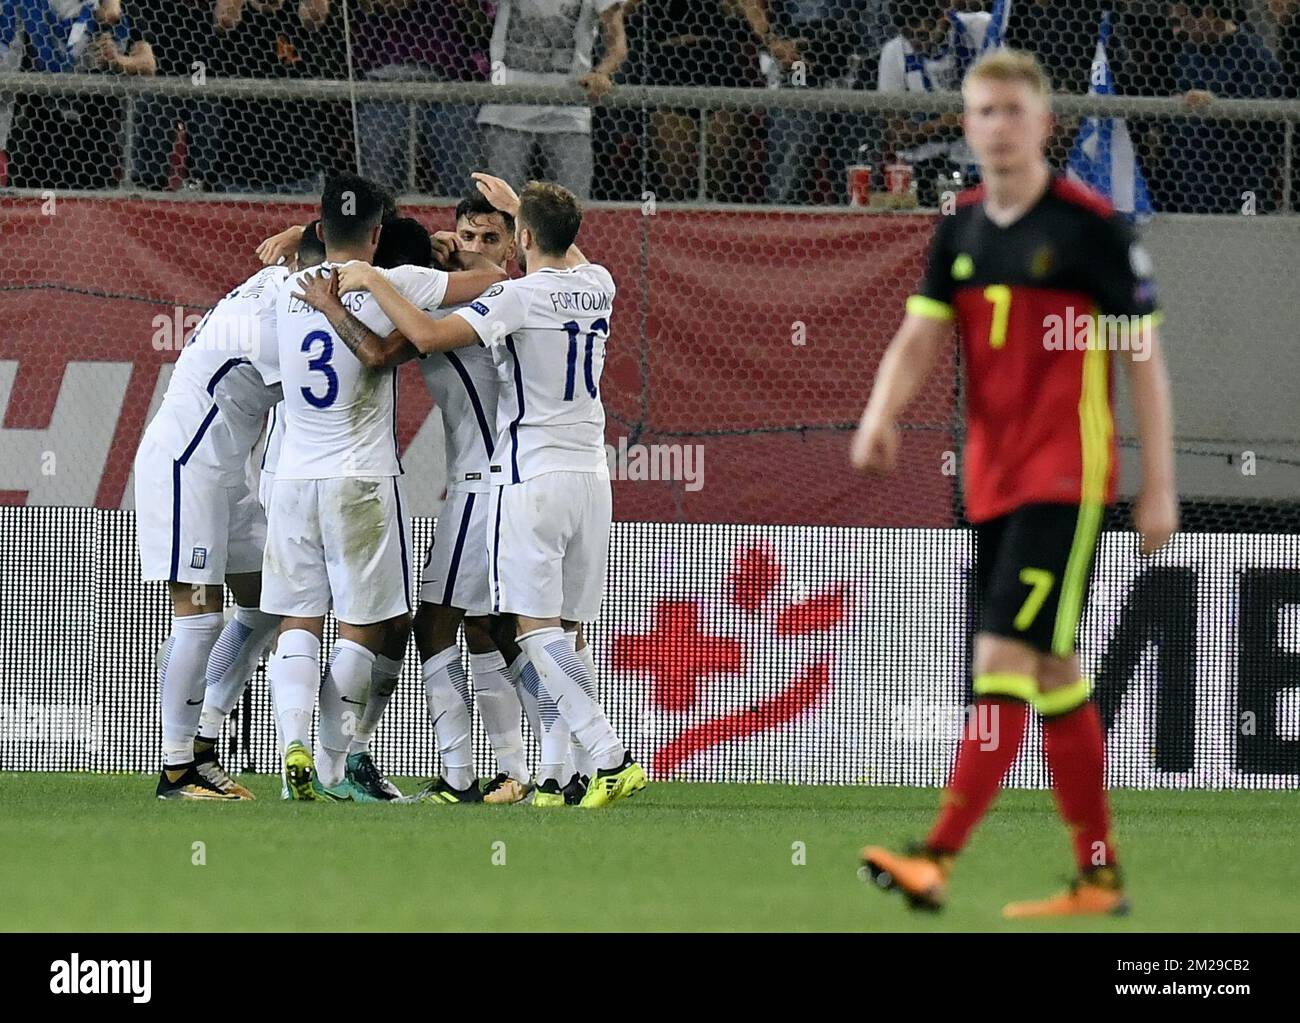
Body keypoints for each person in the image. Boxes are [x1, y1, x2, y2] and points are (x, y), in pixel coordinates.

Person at [851, 49, 1178, 917]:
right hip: (993, 483)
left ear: (1042, 125)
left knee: (998, 663)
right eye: (983, 111)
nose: (996, 125)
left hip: (1065, 484)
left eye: (1011, 111)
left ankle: (937, 857)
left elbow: (1143, 359)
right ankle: (1098, 873)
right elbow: (922, 338)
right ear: (967, 125)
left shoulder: (1089, 229)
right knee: (1056, 675)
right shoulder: (958, 229)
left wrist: (1158, 483)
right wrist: (881, 412)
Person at [316, 173, 646, 808]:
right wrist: (513, 217)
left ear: (516, 242)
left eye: (488, 234)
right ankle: (549, 771)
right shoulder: (595, 284)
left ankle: (533, 765)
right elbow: (560, 247)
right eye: (465, 233)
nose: (471, 243)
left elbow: (417, 339)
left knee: (499, 627)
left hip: (501, 478)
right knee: (518, 629)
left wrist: (375, 278)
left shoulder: (505, 298)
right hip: (587, 474)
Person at [264, 173, 506, 801]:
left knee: (298, 619)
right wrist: (471, 257)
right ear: (376, 234)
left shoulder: (283, 289)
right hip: (359, 479)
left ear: (320, 229)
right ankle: (332, 763)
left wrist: (301, 245)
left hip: (289, 478)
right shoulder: (400, 282)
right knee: (370, 628)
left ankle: (292, 742)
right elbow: (494, 284)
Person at [134, 249, 288, 800]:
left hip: (226, 476)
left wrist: (300, 232)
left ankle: (202, 742)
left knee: (271, 599)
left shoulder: (274, 278)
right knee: (199, 617)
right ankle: (177, 769)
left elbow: (310, 246)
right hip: (186, 469)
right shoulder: (274, 326)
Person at [478, 0, 629, 200]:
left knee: (571, 208)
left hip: (569, 109)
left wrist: (601, 74)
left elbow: (618, 45)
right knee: (500, 211)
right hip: (506, 106)